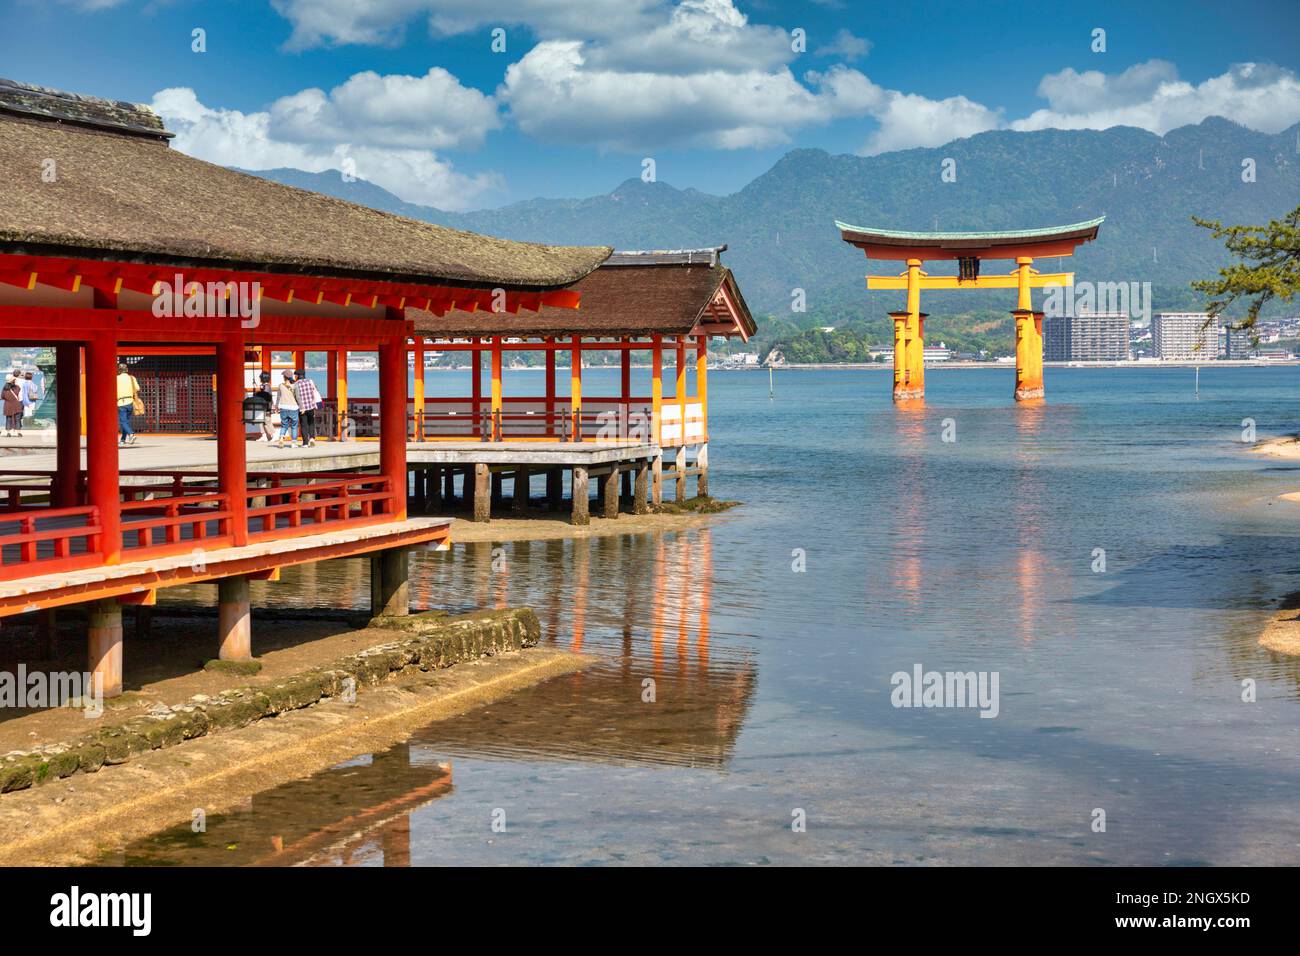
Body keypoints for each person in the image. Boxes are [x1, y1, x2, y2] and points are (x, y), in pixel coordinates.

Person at [293, 369, 322, 447]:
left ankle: (305, 443)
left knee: (303, 424)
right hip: (311, 406)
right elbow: (315, 391)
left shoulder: (296, 384)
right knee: (311, 423)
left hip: (302, 408)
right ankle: (312, 438)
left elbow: (296, 396)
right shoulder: (310, 381)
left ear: (298, 376)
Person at [272, 369, 299, 448]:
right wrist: (302, 407)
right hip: (293, 408)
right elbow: (298, 397)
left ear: (284, 377)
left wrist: (276, 407)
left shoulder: (280, 385)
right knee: (294, 426)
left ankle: (281, 437)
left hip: (283, 407)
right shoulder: (295, 386)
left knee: (284, 425)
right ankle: (293, 443)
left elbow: (278, 397)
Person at [116, 362, 140, 445]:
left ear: (119, 370)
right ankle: (123, 440)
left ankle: (131, 434)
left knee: (123, 422)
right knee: (126, 422)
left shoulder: (116, 378)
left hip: (121, 402)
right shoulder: (131, 378)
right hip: (130, 402)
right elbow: (137, 388)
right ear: (126, 370)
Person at [252, 371, 275, 442]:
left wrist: (256, 390)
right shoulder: (265, 386)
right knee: (261, 420)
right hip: (263, 406)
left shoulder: (267, 386)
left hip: (266, 406)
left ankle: (274, 434)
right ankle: (264, 435)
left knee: (267, 421)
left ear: (263, 378)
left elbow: (263, 395)